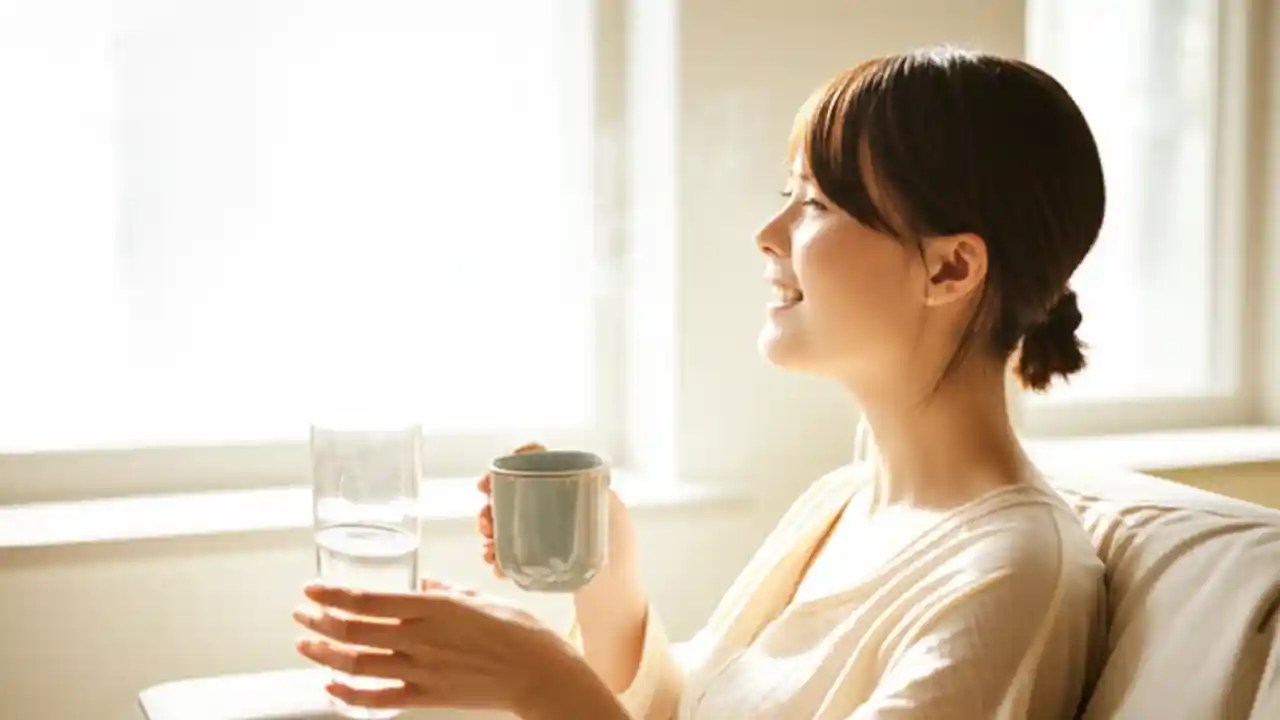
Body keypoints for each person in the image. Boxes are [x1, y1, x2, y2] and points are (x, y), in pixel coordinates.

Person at [292, 47, 1108, 719]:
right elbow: (690, 710)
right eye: (787, 196)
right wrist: (609, 582)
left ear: (950, 268)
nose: (768, 234)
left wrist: (538, 678)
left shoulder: (1012, 576)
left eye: (816, 204)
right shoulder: (844, 502)